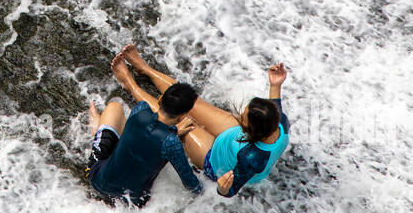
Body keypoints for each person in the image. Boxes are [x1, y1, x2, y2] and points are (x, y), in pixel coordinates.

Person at [115, 45, 289, 197]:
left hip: (214, 159)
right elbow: (275, 106)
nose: (239, 115)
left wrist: (222, 187)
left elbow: (230, 190)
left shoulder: (252, 159)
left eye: (242, 118)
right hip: (232, 139)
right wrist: (275, 85)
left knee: (178, 117)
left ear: (251, 131)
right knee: (190, 102)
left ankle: (130, 84)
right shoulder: (279, 121)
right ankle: (145, 69)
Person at [85, 50, 203, 206]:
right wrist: (207, 191)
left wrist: (172, 131)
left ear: (160, 99)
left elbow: (143, 135)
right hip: (131, 202)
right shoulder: (171, 143)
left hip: (97, 180)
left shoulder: (141, 109)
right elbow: (190, 183)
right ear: (184, 114)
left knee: (114, 108)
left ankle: (98, 130)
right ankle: (97, 129)